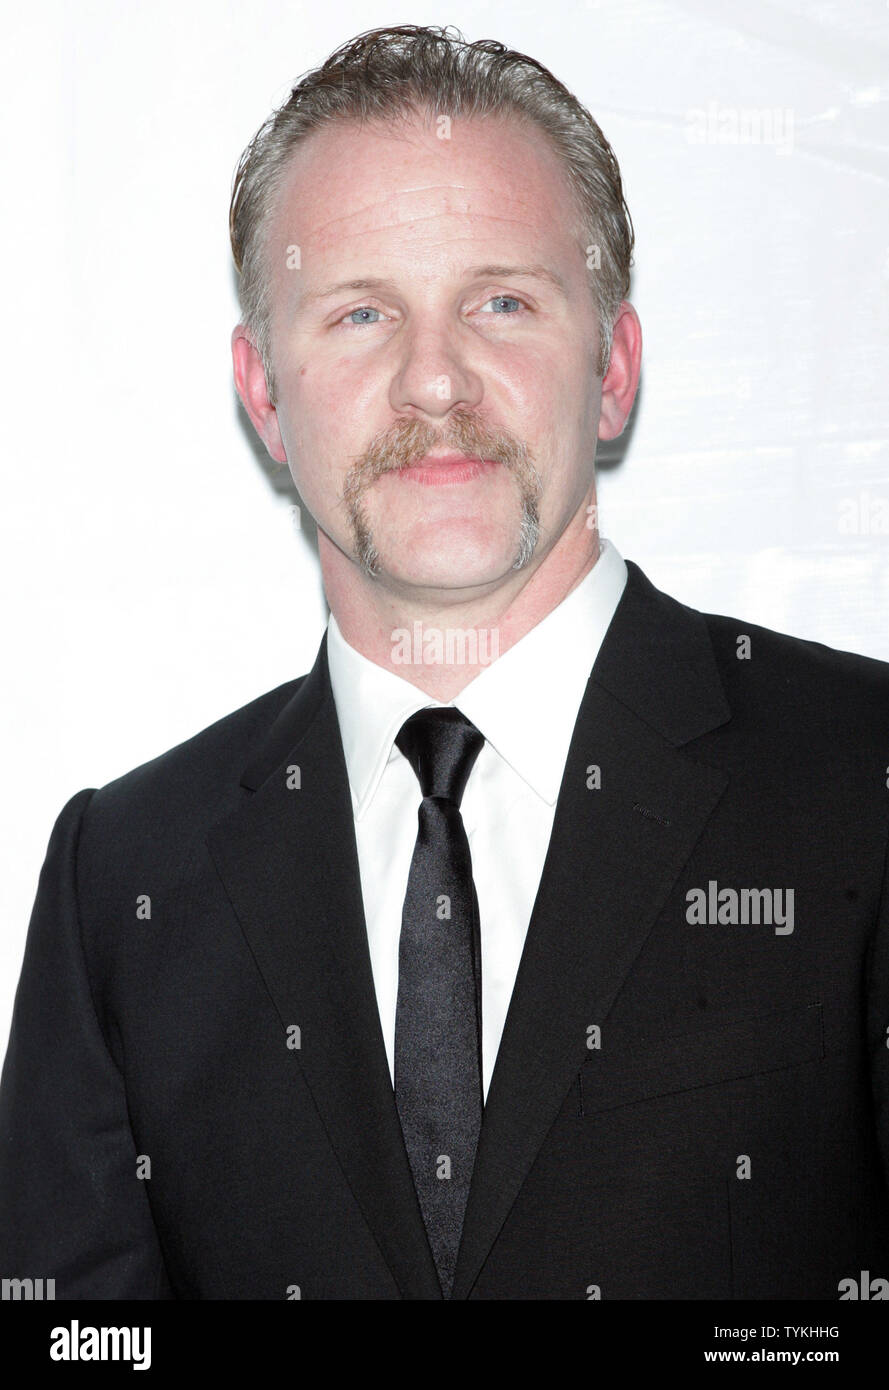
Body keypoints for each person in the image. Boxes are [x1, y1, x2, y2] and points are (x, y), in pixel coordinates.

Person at [1, 23, 887, 1301]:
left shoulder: (858, 783)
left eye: (502, 302)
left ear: (615, 367)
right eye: (361, 312)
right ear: (263, 395)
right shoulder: (124, 879)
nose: (434, 380)